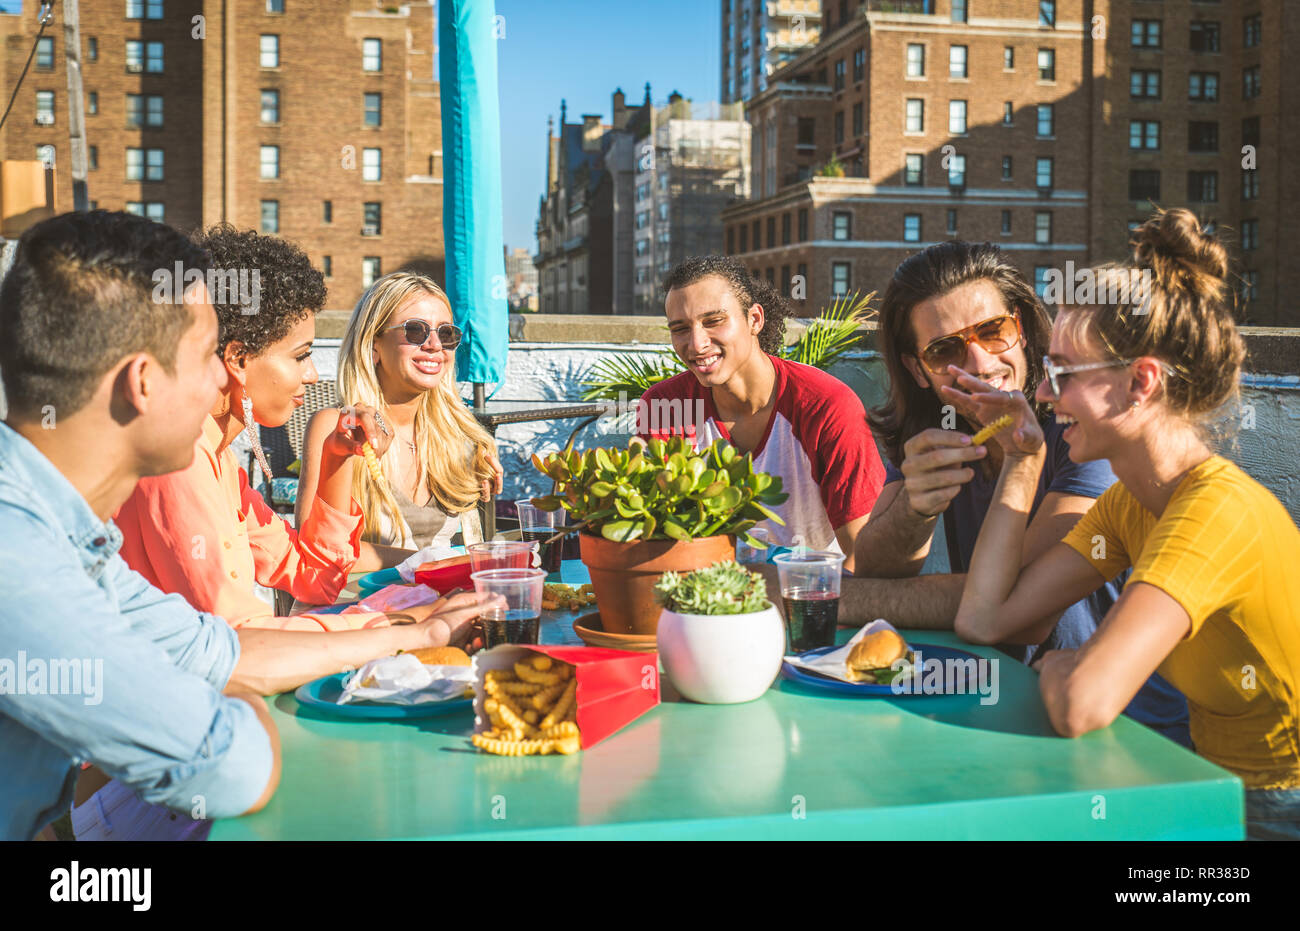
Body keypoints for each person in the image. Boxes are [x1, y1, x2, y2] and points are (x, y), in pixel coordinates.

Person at [0, 210, 486, 841]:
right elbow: (229, 765)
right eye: (208, 357)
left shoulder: (61, 534)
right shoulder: (23, 561)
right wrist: (252, 682)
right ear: (142, 384)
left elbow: (217, 650)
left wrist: (414, 637)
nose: (223, 381)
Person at [948, 209, 1299, 840]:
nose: (1045, 398)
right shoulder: (1131, 503)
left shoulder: (1214, 512)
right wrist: (1023, 459)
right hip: (1206, 786)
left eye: (1063, 376)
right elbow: (984, 619)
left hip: (1275, 810)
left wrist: (1064, 666)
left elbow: (1084, 702)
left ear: (1141, 381)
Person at [844, 241, 1188, 744]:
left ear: (1021, 327)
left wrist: (833, 601)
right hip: (1010, 712)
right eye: (945, 350)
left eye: (992, 330)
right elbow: (877, 567)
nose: (980, 362)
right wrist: (916, 510)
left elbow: (1014, 609)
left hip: (1129, 734)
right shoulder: (941, 431)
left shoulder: (1082, 433)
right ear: (918, 369)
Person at [114, 225, 414, 633]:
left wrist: (335, 459)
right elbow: (237, 637)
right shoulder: (176, 462)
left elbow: (315, 576)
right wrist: (406, 626)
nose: (311, 375)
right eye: (301, 356)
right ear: (238, 358)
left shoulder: (219, 459)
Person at [636, 255, 885, 572]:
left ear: (754, 319)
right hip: (701, 602)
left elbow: (865, 555)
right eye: (680, 328)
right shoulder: (665, 405)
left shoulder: (828, 405)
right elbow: (650, 536)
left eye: (713, 321)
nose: (696, 344)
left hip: (808, 600)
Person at [298, 272, 502, 550]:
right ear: (373, 346)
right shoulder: (339, 428)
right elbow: (312, 549)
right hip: (361, 592)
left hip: (436, 592)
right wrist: (422, 564)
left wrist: (475, 463)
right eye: (415, 331)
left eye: (446, 333)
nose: (435, 345)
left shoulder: (457, 436)